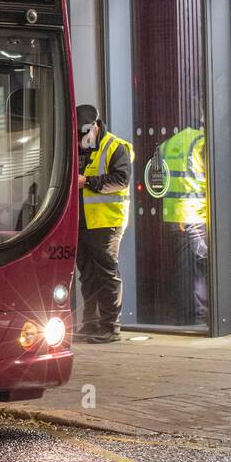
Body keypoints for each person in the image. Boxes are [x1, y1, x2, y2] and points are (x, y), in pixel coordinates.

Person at [75, 104, 134, 344]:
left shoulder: (115, 146)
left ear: (96, 127)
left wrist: (87, 181)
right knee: (87, 274)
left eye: (84, 135)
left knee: (107, 272)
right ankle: (91, 324)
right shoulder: (81, 147)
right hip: (84, 221)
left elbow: (121, 179)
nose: (80, 142)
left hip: (107, 221)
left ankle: (110, 327)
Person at [155, 120, 208, 324]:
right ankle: (199, 316)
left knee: (184, 270)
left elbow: (158, 182)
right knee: (198, 271)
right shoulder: (200, 142)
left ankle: (184, 315)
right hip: (196, 214)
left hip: (174, 214)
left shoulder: (167, 144)